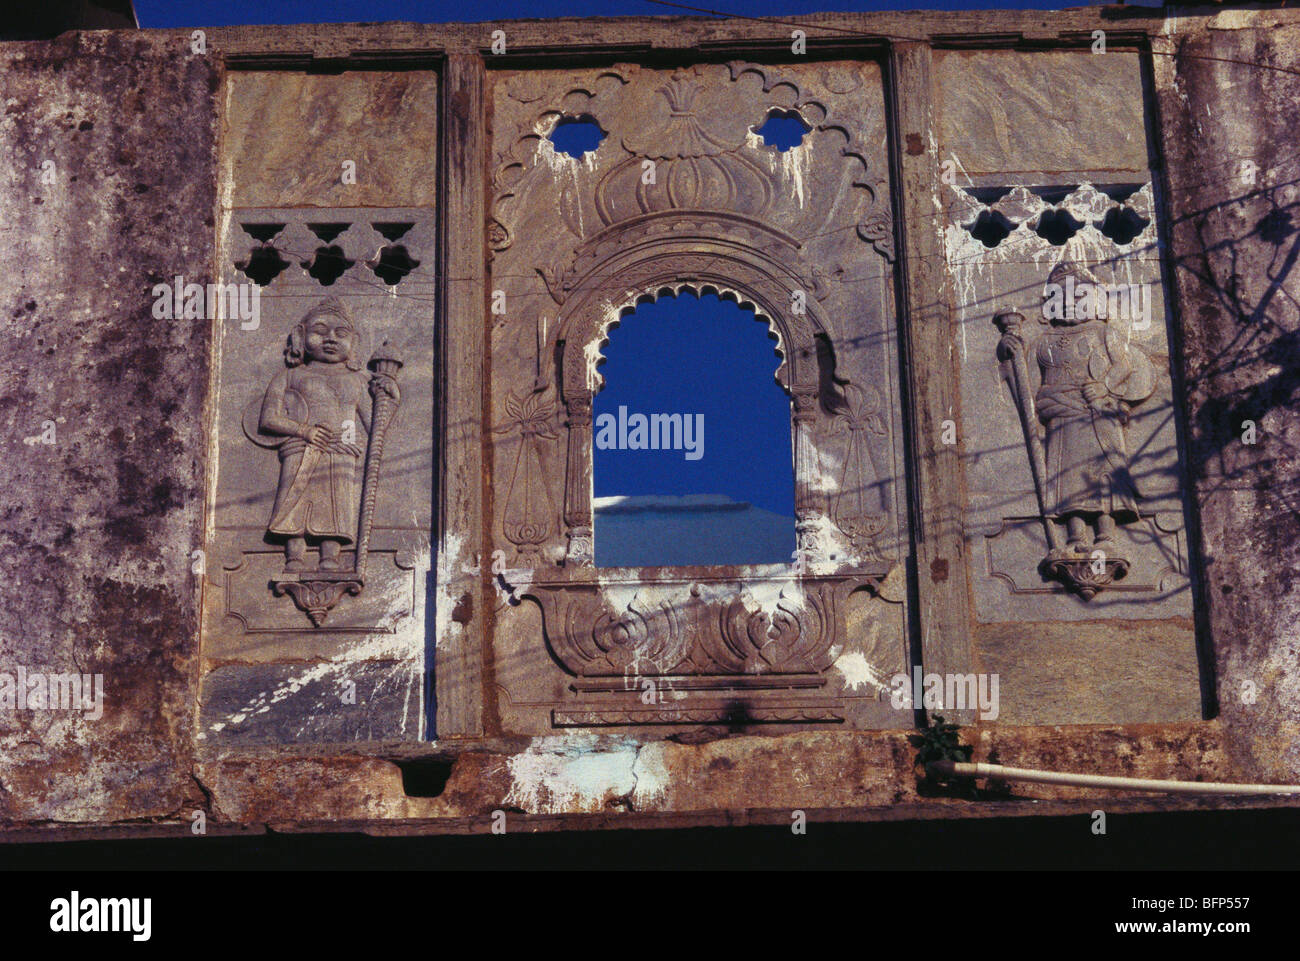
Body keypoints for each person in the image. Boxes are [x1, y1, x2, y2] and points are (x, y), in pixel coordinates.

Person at [258, 298, 372, 572]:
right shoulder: (290, 376)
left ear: (353, 341)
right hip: (301, 448)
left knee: (336, 508)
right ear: (300, 335)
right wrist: (304, 431)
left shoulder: (357, 381)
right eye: (320, 332)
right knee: (294, 505)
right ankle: (294, 558)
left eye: (340, 333)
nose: (330, 339)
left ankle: (329, 558)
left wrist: (388, 398)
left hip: (342, 451)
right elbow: (268, 419)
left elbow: (373, 424)